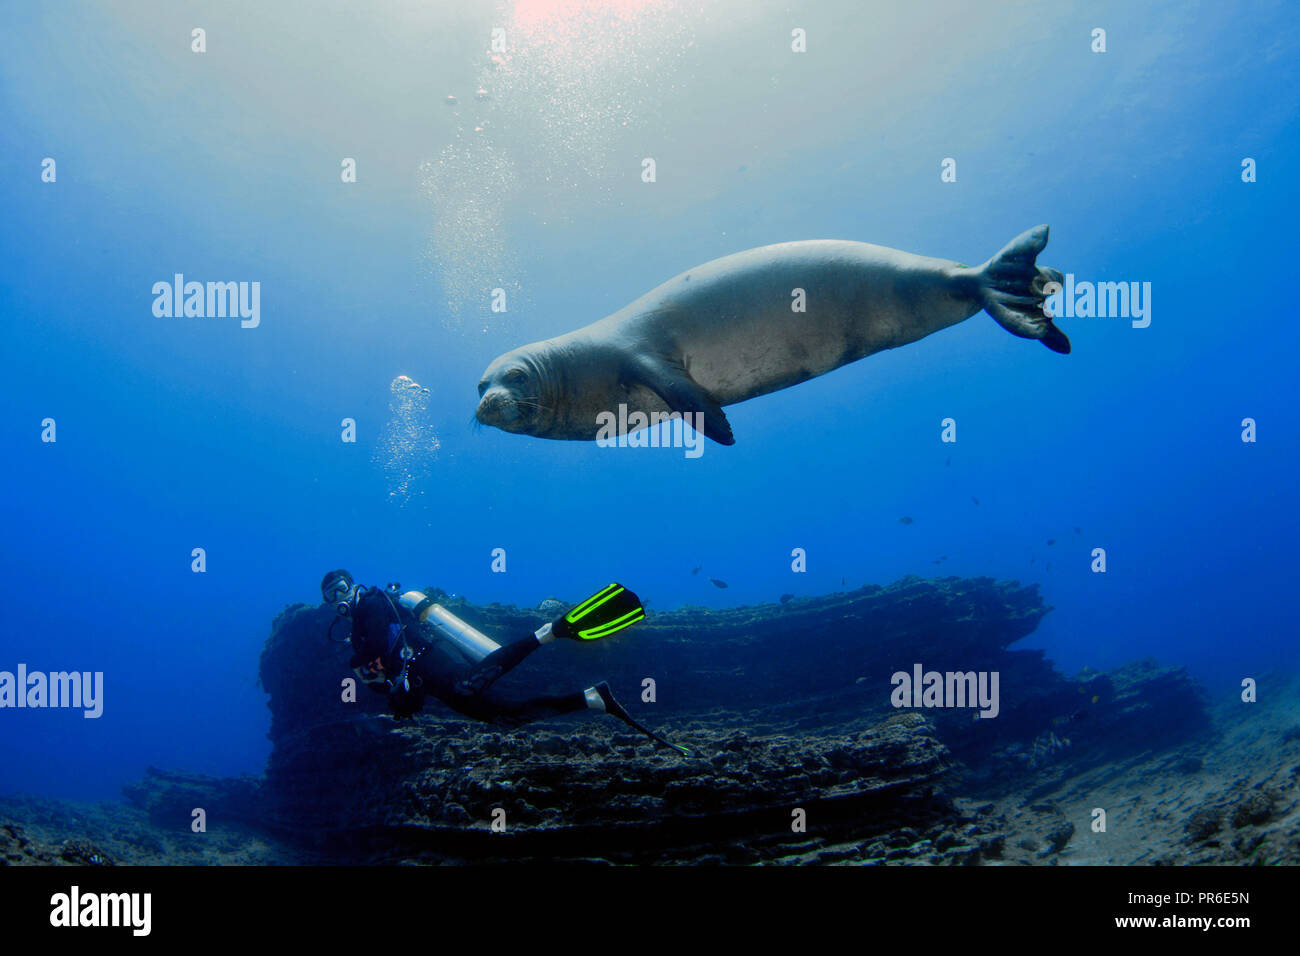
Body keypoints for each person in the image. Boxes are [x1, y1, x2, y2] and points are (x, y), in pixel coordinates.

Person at [320, 570, 693, 756]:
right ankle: (593, 699)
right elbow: (383, 671)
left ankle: (549, 632)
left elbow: (385, 649)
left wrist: (366, 664)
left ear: (351, 587)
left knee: (471, 683)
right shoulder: (354, 628)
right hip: (421, 679)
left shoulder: (370, 603)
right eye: (329, 595)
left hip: (427, 660)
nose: (337, 597)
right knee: (502, 718)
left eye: (340, 588)